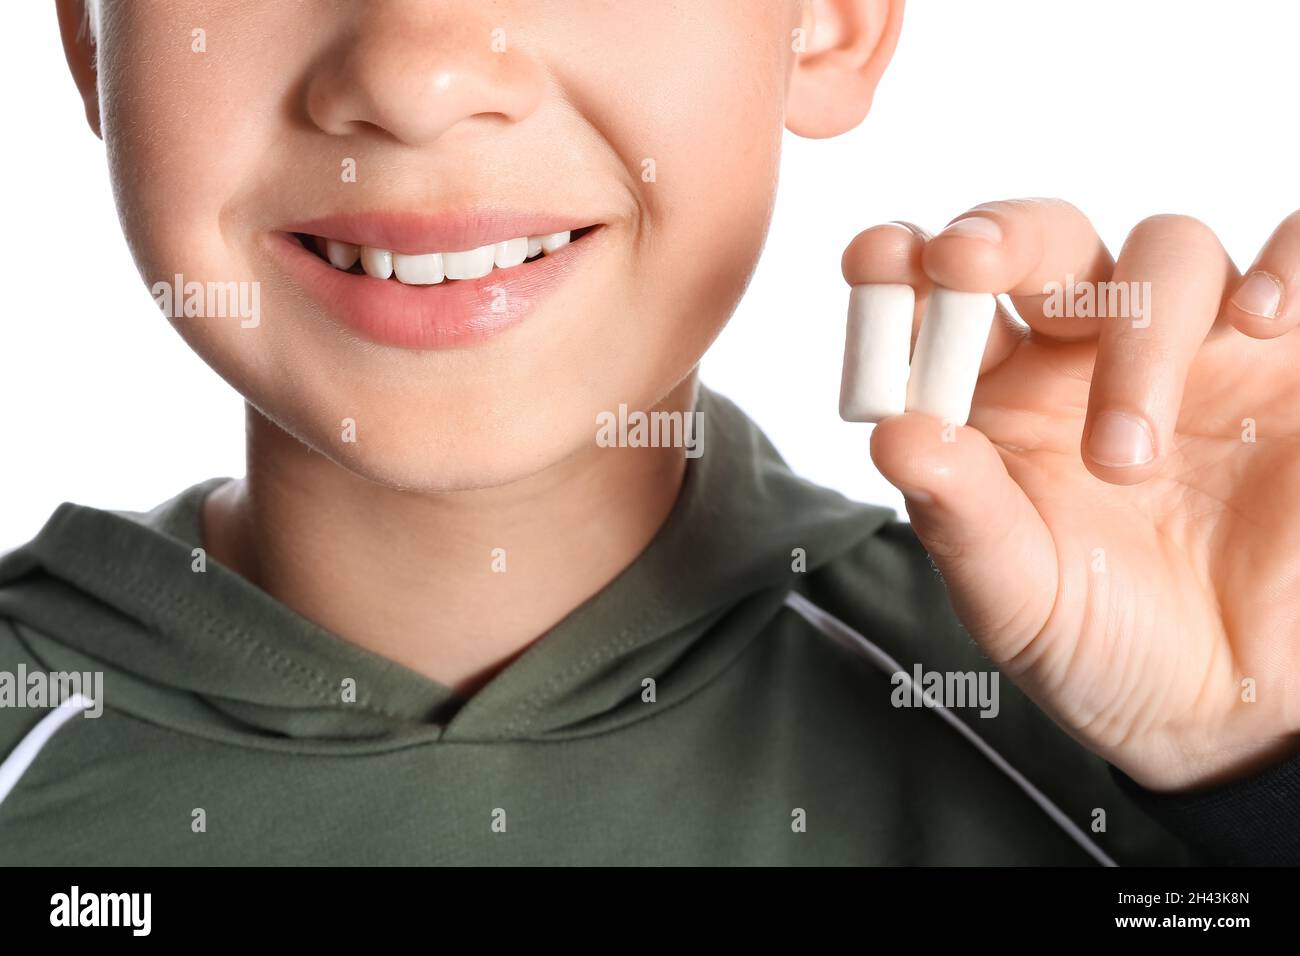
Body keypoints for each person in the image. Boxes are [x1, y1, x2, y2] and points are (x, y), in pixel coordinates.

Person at [1, 0, 1296, 865]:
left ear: (825, 23)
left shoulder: (1110, 759)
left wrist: (1248, 772)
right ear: (87, 39)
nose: (415, 72)